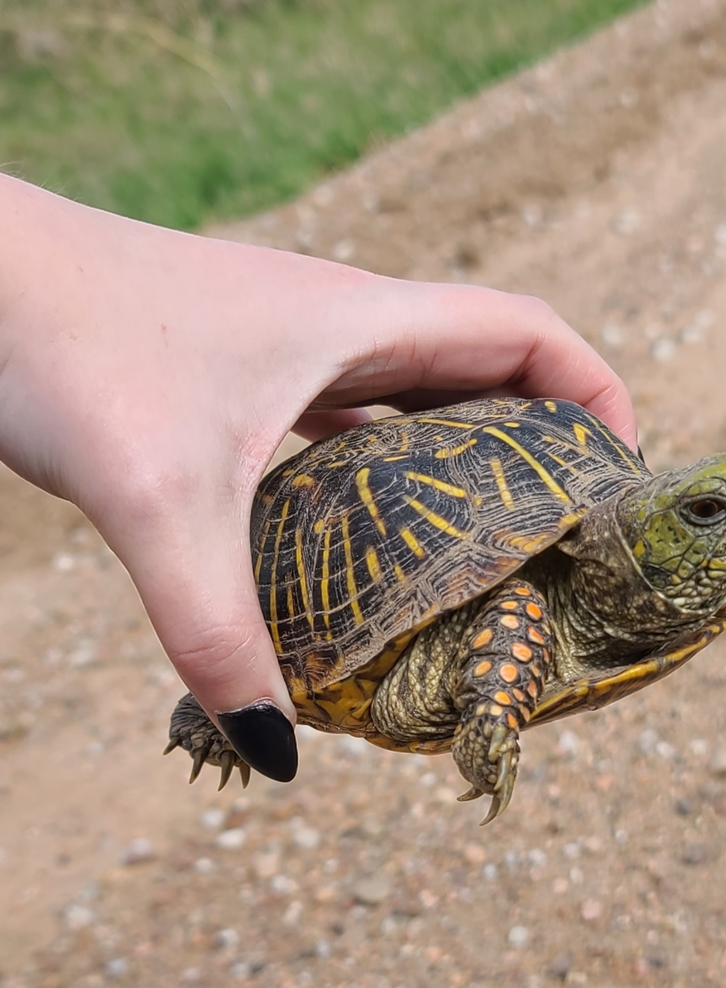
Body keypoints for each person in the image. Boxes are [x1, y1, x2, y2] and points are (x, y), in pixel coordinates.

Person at [0, 173, 637, 781]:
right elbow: (516, 600)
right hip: (359, 633)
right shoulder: (521, 606)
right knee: (503, 590)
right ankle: (215, 703)